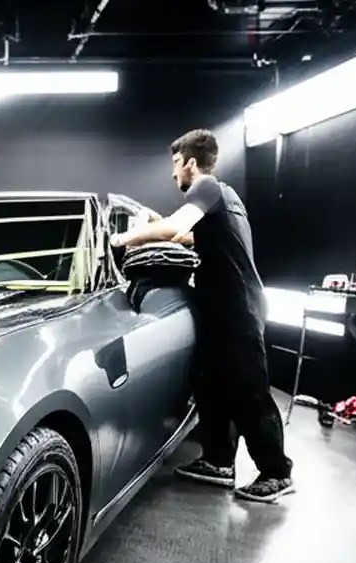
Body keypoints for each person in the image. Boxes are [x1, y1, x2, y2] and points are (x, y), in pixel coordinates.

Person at [110, 129, 294, 503]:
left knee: (247, 390)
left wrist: (123, 238)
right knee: (209, 381)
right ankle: (218, 460)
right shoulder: (224, 198)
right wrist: (156, 224)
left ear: (191, 164)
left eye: (176, 164)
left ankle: (277, 471)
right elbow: (188, 237)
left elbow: (177, 227)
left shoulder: (207, 188)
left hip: (238, 307)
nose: (173, 173)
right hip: (225, 305)